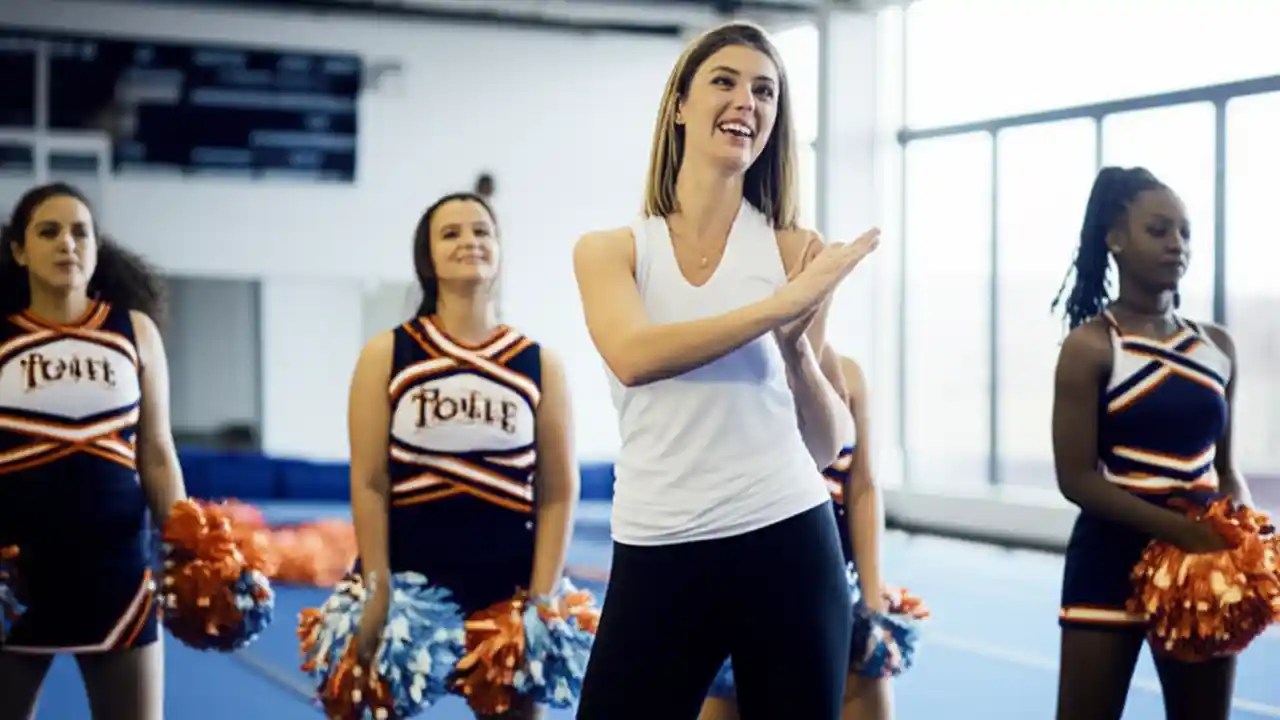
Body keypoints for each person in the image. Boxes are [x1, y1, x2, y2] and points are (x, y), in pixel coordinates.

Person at [572, 20, 881, 720]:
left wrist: (799, 347)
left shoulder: (793, 249)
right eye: (725, 81)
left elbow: (826, 443)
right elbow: (634, 354)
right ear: (679, 104)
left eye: (766, 91)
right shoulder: (611, 251)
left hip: (786, 534)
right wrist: (779, 308)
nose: (748, 101)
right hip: (659, 543)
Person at [345, 191, 579, 720]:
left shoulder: (539, 364)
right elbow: (370, 481)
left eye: (482, 231)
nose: (470, 241)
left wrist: (541, 600)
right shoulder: (389, 353)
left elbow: (558, 491)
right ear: (426, 260)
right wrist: (377, 586)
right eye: (451, 233)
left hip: (506, 581)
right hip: (408, 578)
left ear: (498, 250)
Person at [1050, 166, 1251, 720]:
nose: (1177, 245)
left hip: (1202, 568)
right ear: (1115, 238)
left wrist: (1246, 531)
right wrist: (1182, 531)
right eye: (1159, 230)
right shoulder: (1091, 347)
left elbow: (1225, 470)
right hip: (1109, 561)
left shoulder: (1217, 346)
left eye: (1184, 232)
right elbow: (1077, 479)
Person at [0, 182, 187, 720]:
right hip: (16, 579)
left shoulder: (135, 332)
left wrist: (187, 543)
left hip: (117, 573)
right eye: (48, 231)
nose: (68, 243)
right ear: (19, 250)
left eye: (81, 232)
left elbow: (156, 451)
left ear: (96, 248)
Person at [699, 354, 895, 720]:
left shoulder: (850, 375)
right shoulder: (729, 373)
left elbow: (864, 487)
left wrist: (872, 602)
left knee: (867, 686)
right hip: (743, 595)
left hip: (833, 589)